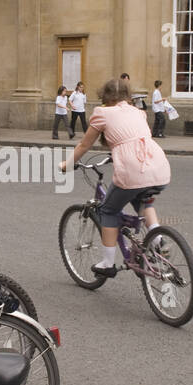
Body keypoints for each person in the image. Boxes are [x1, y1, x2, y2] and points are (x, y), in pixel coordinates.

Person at [60, 78, 171, 278]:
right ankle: (158, 238)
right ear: (127, 95)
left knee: (108, 211)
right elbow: (131, 138)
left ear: (105, 96)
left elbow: (84, 145)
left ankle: (107, 263)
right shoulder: (139, 112)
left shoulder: (102, 113)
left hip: (132, 169)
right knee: (143, 200)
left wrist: (66, 165)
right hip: (158, 165)